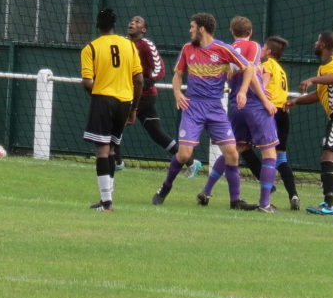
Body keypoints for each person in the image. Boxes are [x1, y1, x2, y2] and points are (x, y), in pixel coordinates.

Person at [152, 13, 258, 210]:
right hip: (193, 108)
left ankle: (235, 201)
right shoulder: (187, 49)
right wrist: (177, 93)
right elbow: (178, 75)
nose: (190, 30)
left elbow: (249, 68)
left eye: (192, 27)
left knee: (232, 155)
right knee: (184, 155)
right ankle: (165, 188)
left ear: (201, 28)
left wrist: (243, 91)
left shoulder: (223, 49)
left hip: (215, 108)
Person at [286, 31, 333, 215]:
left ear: (324, 45)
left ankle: (328, 204)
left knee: (328, 157)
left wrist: (312, 79)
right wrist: (296, 101)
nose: (315, 43)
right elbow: (318, 96)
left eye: (318, 40)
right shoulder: (324, 68)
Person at [81, 8, 143, 212]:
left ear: (97, 25)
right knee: (112, 149)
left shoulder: (91, 48)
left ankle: (106, 202)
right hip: (125, 101)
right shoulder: (129, 46)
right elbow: (139, 80)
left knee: (101, 150)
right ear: (114, 25)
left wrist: (99, 97)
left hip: (103, 100)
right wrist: (134, 108)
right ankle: (107, 199)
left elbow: (87, 82)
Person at [225, 16, 280, 213]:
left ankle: (206, 191)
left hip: (235, 105)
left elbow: (231, 74)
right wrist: (265, 99)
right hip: (254, 104)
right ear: (250, 32)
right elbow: (250, 71)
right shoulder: (254, 47)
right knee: (270, 153)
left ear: (232, 32)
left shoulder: (228, 49)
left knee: (235, 149)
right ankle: (265, 203)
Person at [112, 15, 179, 170]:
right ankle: (189, 161)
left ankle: (117, 162)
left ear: (143, 30)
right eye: (131, 21)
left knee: (114, 123)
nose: (132, 23)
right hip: (129, 93)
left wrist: (148, 82)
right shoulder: (123, 43)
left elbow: (160, 68)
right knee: (155, 132)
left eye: (137, 22)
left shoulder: (146, 45)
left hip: (144, 96)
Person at [259, 36, 301, 210]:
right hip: (283, 114)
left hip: (271, 113)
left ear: (269, 52)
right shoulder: (281, 70)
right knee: (281, 157)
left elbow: (263, 84)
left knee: (247, 148)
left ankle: (266, 198)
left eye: (263, 47)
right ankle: (294, 195)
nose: (260, 49)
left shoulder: (268, 65)